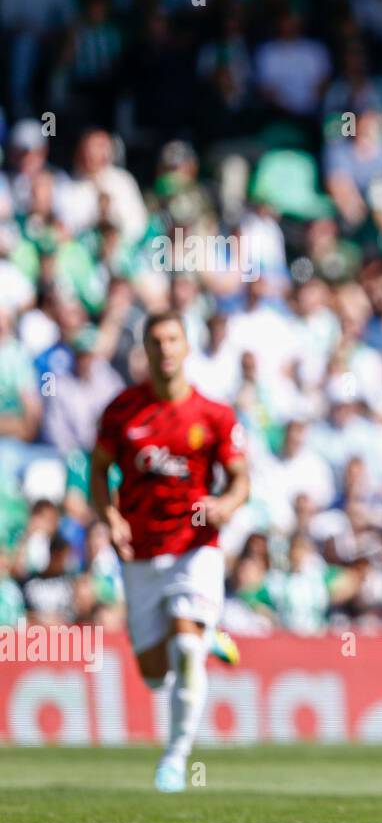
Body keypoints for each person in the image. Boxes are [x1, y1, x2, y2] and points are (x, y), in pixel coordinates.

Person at [89, 310, 248, 792]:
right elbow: (98, 471)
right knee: (155, 676)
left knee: (184, 648)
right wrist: (109, 515)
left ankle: (175, 759)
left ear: (186, 346)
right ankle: (208, 636)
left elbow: (241, 478)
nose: (166, 349)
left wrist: (225, 504)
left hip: (195, 546)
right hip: (140, 551)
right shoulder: (122, 411)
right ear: (146, 348)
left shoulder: (214, 415)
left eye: (173, 339)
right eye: (157, 341)